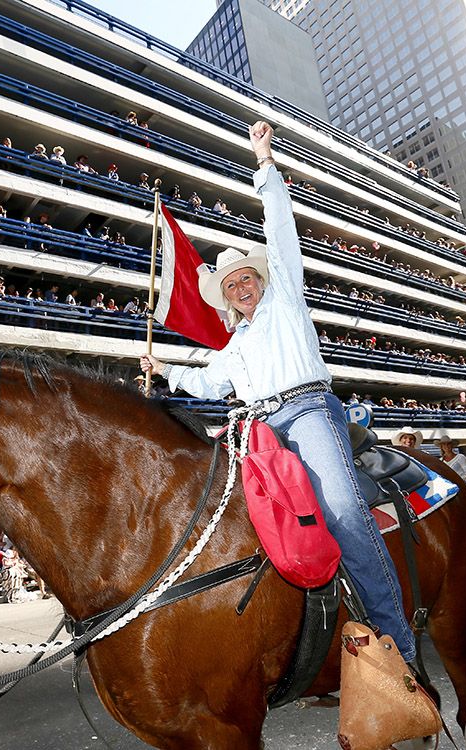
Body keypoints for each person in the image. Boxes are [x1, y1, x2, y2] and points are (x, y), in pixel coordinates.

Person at [139, 121, 416, 665]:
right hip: (257, 427)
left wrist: (264, 165)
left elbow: (281, 230)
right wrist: (164, 368)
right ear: (225, 296)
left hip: (308, 410)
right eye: (232, 284)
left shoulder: (286, 297)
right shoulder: (234, 345)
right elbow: (206, 382)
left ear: (261, 279)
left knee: (342, 508)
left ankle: (397, 642)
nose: (241, 287)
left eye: (247, 277)